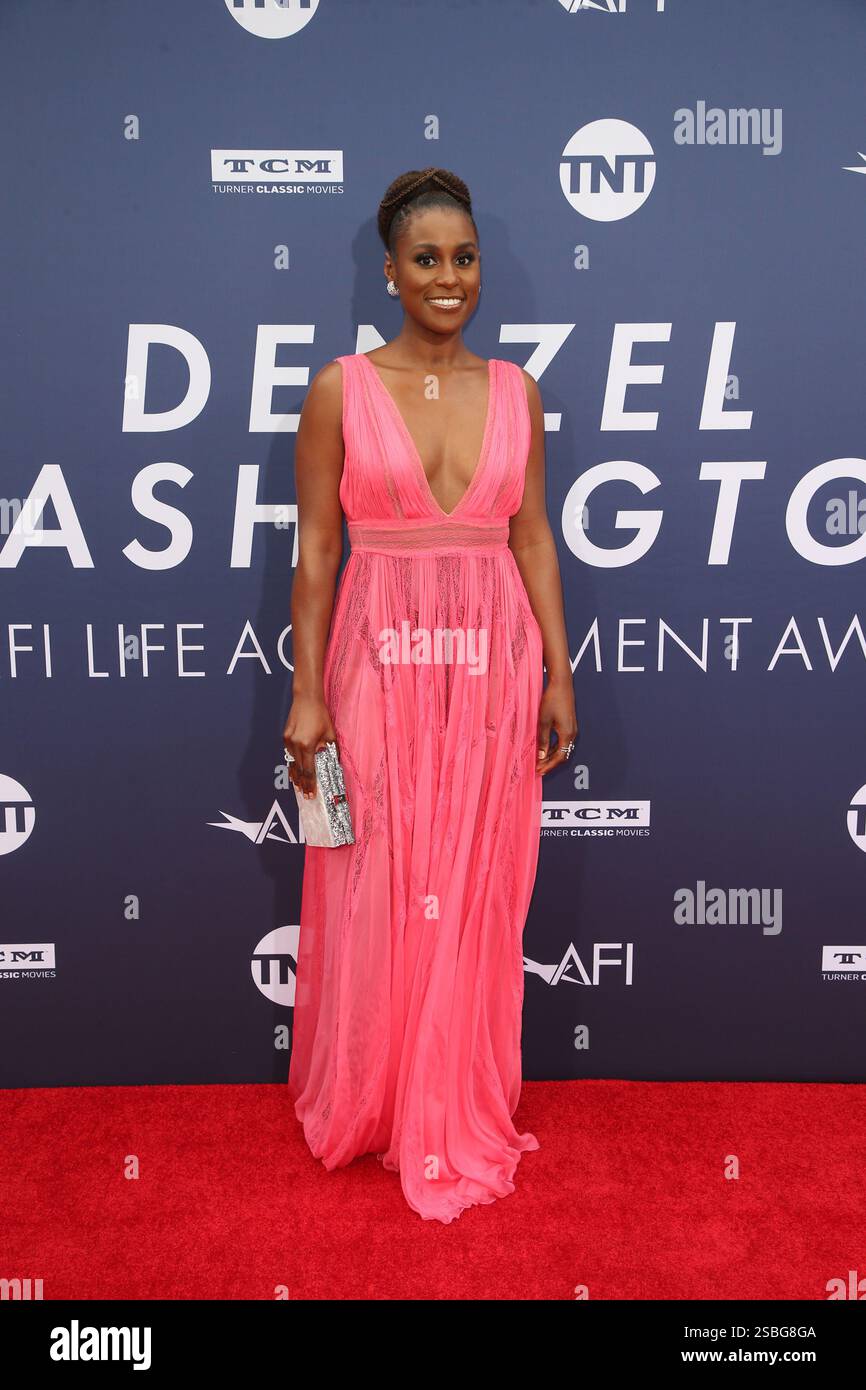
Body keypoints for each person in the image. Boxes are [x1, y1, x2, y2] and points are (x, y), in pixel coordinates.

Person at [284, 167, 578, 1224]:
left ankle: (452, 1097)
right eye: (426, 259)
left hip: (490, 662)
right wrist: (306, 695)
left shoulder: (515, 389)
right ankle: (380, 1095)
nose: (448, 277)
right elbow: (317, 549)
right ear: (389, 273)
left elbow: (532, 533)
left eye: (463, 258)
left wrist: (558, 664)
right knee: (380, 869)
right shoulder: (340, 389)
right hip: (379, 656)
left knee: (474, 877)